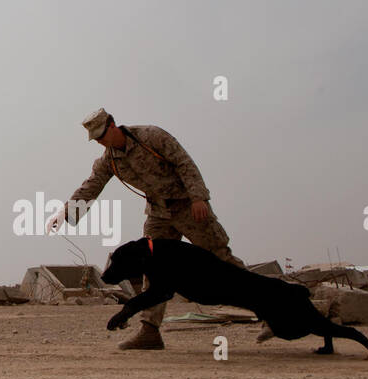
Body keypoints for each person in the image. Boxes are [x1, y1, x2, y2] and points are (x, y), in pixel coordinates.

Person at [47, 108, 247, 349]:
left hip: (188, 207)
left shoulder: (151, 137)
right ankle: (149, 330)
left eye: (101, 135)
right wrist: (66, 212)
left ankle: (272, 307)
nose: (100, 142)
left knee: (221, 260)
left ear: (112, 126)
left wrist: (198, 197)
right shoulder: (109, 161)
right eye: (96, 140)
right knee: (153, 268)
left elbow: (184, 163)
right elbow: (92, 186)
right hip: (158, 214)